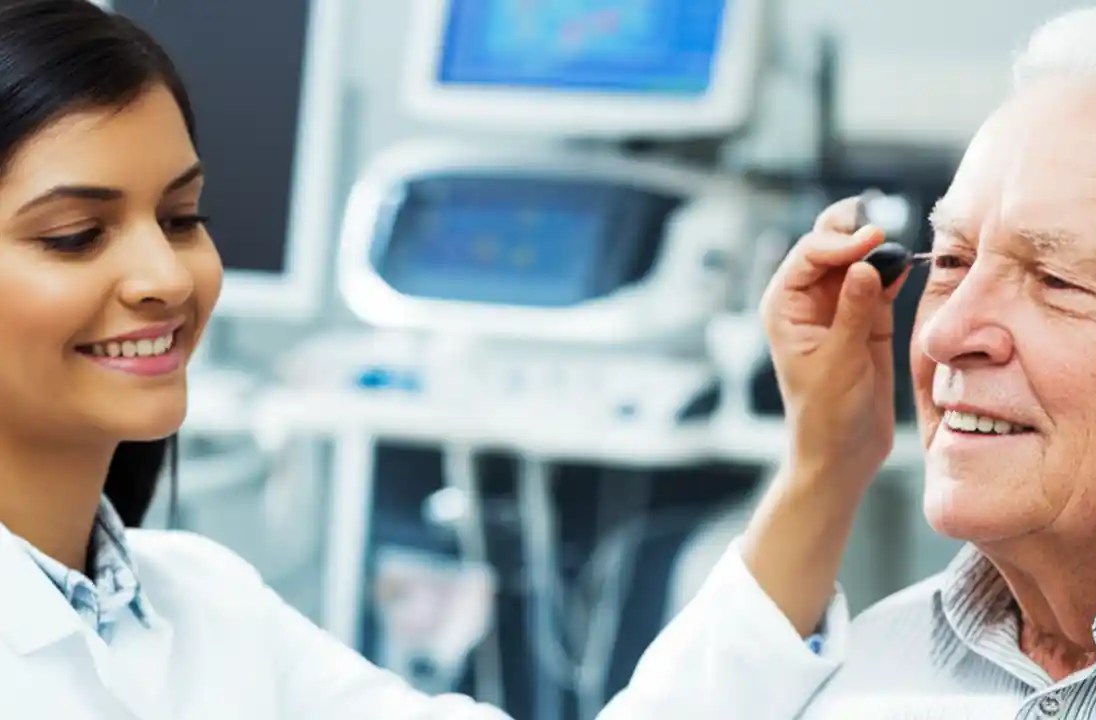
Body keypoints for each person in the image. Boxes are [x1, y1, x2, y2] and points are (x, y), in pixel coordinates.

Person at [0, 2, 739, 718]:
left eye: (182, 219)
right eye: (74, 235)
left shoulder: (206, 601)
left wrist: (822, 464)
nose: (166, 276)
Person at [603, 3, 1096, 719]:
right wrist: (826, 459)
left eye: (1056, 281)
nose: (942, 332)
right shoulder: (870, 672)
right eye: (951, 260)